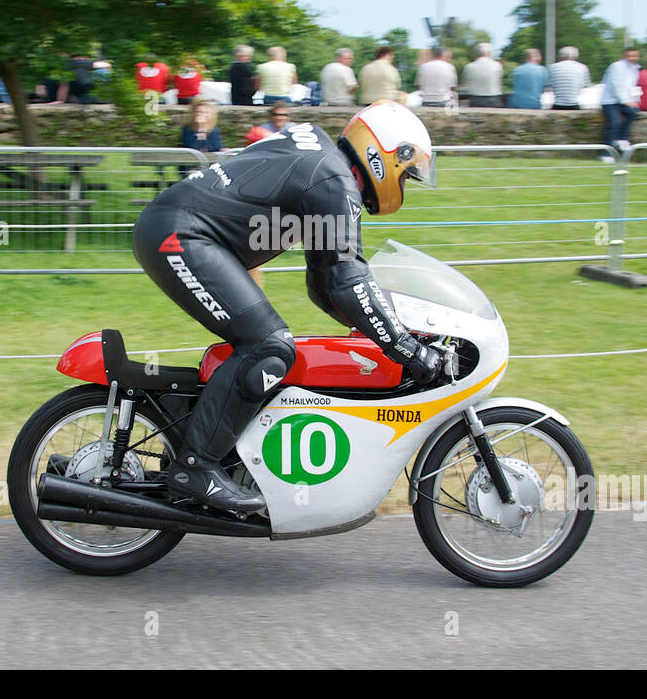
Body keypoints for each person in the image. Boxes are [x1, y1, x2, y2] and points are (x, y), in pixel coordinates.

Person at [132, 100, 444, 512]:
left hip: (177, 226)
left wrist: (380, 330)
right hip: (181, 236)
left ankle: (211, 445)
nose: (403, 186)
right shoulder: (333, 180)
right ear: (385, 154)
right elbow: (348, 281)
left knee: (270, 345)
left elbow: (326, 283)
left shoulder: (328, 170)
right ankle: (196, 466)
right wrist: (407, 347)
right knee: (268, 347)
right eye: (406, 174)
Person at [599, 47, 641, 160]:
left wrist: (632, 100)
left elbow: (630, 86)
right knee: (614, 124)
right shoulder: (617, 66)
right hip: (610, 101)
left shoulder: (635, 68)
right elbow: (616, 85)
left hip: (623, 101)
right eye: (629, 56)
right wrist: (625, 101)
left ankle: (621, 139)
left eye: (635, 55)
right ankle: (606, 154)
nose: (632, 58)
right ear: (624, 56)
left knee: (633, 113)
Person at [460, 43, 503, 108]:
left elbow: (464, 86)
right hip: (494, 100)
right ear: (489, 53)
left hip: (475, 100)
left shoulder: (469, 67)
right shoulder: (497, 65)